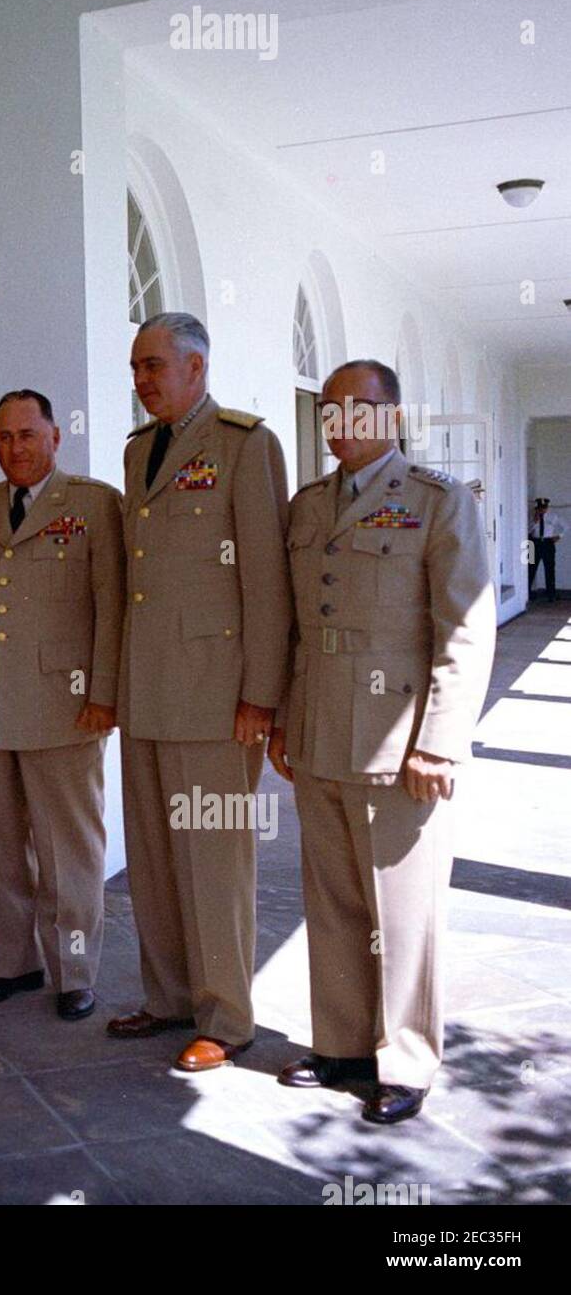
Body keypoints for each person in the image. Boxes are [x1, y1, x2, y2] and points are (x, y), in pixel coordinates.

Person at [269, 359, 496, 1125]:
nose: (339, 422)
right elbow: (295, 629)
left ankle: (405, 1059)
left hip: (400, 741)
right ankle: (339, 1046)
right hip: (321, 731)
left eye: (356, 408)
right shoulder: (306, 507)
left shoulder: (438, 501)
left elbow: (465, 628)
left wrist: (440, 740)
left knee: (402, 910)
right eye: (328, 410)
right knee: (332, 901)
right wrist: (281, 719)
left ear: (391, 414)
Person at [109, 312, 292, 1071]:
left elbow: (266, 580)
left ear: (196, 366)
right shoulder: (137, 451)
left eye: (155, 365)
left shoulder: (246, 444)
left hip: (217, 697)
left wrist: (261, 693)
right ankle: (169, 997)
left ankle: (227, 1015)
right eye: (136, 368)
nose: (143, 380)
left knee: (214, 859)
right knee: (153, 856)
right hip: (147, 688)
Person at [0, 391, 124, 1020]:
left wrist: (104, 694)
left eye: (26, 434)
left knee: (69, 852)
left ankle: (74, 973)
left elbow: (111, 606)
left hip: (66, 709)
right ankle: (9, 965)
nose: (15, 448)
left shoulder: (95, 505)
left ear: (55, 435)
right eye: (3, 437)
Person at [528, 497, 563, 601]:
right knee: (530, 568)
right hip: (534, 543)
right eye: (540, 508)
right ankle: (528, 593)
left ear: (547, 508)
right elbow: (527, 530)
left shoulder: (553, 517)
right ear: (536, 508)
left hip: (548, 543)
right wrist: (535, 521)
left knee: (550, 569)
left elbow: (565, 526)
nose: (542, 510)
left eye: (544, 508)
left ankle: (551, 594)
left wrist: (559, 536)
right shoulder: (531, 518)